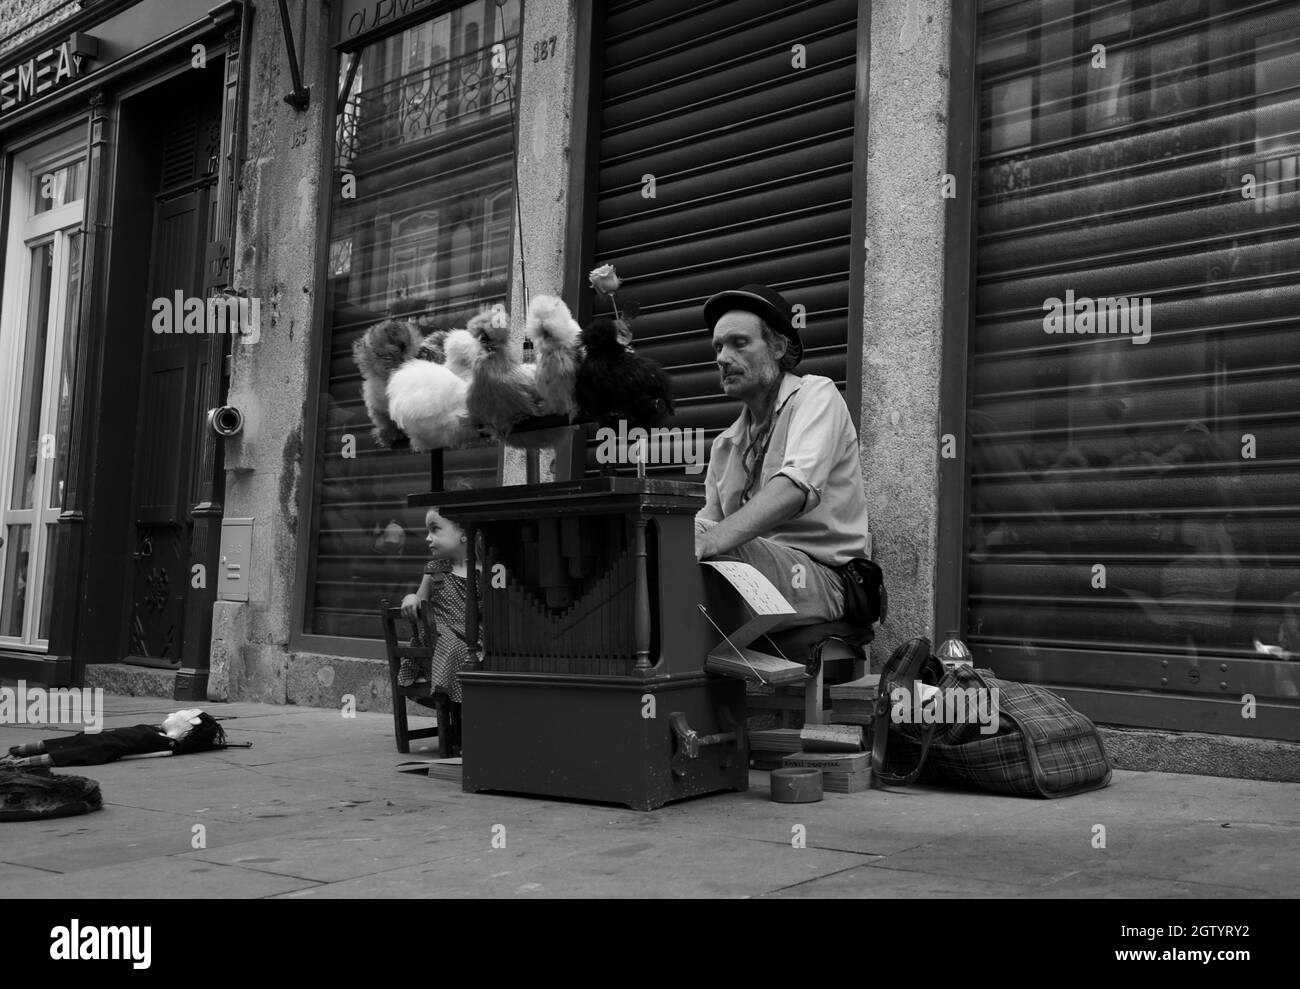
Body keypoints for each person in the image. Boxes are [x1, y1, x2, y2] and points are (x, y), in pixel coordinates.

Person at [694, 283, 871, 631]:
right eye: (718, 346)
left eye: (739, 343)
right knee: (673, 537)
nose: (722, 358)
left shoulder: (816, 395)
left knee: (709, 546)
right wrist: (695, 536)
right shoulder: (725, 443)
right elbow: (706, 523)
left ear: (778, 346)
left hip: (825, 579)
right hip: (760, 570)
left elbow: (794, 489)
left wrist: (710, 539)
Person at [399, 507, 480, 703]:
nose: (428, 537)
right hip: (438, 638)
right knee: (451, 644)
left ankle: (461, 707)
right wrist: (410, 598)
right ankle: (446, 695)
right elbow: (421, 600)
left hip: (472, 638)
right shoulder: (434, 570)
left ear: (463, 533)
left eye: (435, 529)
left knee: (466, 650)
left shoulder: (483, 571)